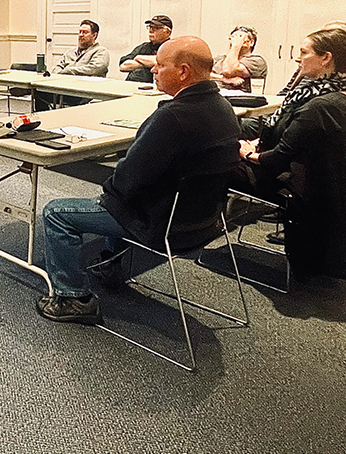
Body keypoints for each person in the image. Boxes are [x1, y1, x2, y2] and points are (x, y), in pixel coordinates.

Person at [37, 36, 240, 324]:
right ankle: (110, 267)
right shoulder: (223, 108)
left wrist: (109, 194)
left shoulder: (172, 117)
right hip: (202, 223)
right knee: (117, 196)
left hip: (159, 222)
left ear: (183, 72)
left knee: (58, 212)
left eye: (159, 65)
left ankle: (73, 298)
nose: (154, 71)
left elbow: (127, 180)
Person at [238, 28, 346, 279]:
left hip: (288, 185)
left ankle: (189, 228)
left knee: (214, 162)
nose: (297, 58)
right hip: (309, 184)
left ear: (326, 57)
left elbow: (276, 159)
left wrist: (248, 153)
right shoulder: (339, 95)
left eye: (304, 53)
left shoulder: (318, 106)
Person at [36, 19, 110, 110]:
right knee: (38, 91)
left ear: (94, 35)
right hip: (63, 87)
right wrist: (58, 75)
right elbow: (58, 66)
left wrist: (69, 71)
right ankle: (44, 118)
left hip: (84, 91)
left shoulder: (101, 51)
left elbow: (95, 68)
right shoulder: (70, 52)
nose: (81, 35)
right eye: (80, 32)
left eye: (85, 32)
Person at [212, 25, 268, 92]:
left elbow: (228, 71)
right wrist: (223, 78)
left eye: (239, 37)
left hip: (239, 99)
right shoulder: (219, 59)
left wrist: (236, 45)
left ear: (251, 42)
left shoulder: (257, 61)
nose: (234, 40)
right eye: (233, 37)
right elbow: (201, 74)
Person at [119, 15, 172, 83]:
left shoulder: (171, 48)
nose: (151, 30)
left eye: (156, 28)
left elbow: (163, 64)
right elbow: (123, 66)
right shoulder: (144, 47)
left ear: (167, 32)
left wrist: (138, 58)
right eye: (150, 27)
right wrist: (149, 63)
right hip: (133, 85)